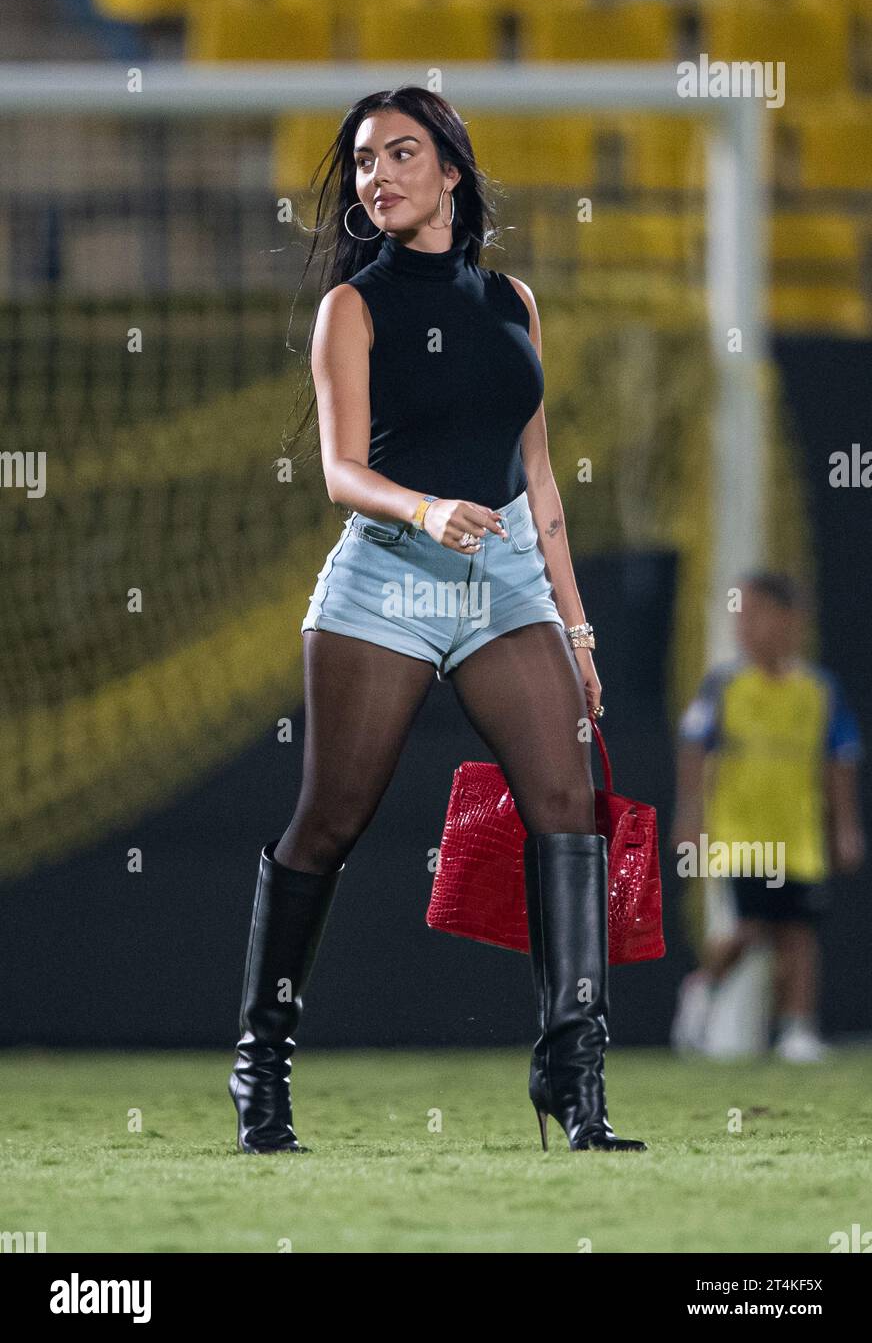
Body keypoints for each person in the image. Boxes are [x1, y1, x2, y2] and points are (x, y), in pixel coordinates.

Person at [228, 86, 647, 1154]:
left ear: (451, 170)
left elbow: (538, 478)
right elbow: (340, 471)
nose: (379, 176)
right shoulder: (352, 307)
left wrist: (577, 630)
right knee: (331, 821)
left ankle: (574, 1077)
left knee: (569, 804)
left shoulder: (512, 300)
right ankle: (261, 1065)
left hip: (504, 579)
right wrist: (425, 509)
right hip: (388, 578)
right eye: (365, 161)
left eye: (401, 153)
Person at [670, 571, 865, 1061]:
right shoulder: (724, 685)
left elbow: (840, 758)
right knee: (753, 926)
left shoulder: (818, 689)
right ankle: (701, 990)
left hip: (798, 833)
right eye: (742, 616)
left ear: (789, 620)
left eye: (755, 614)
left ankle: (797, 1029)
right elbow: (694, 747)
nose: (744, 626)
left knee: (799, 932)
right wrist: (689, 817)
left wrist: (846, 827)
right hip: (743, 832)